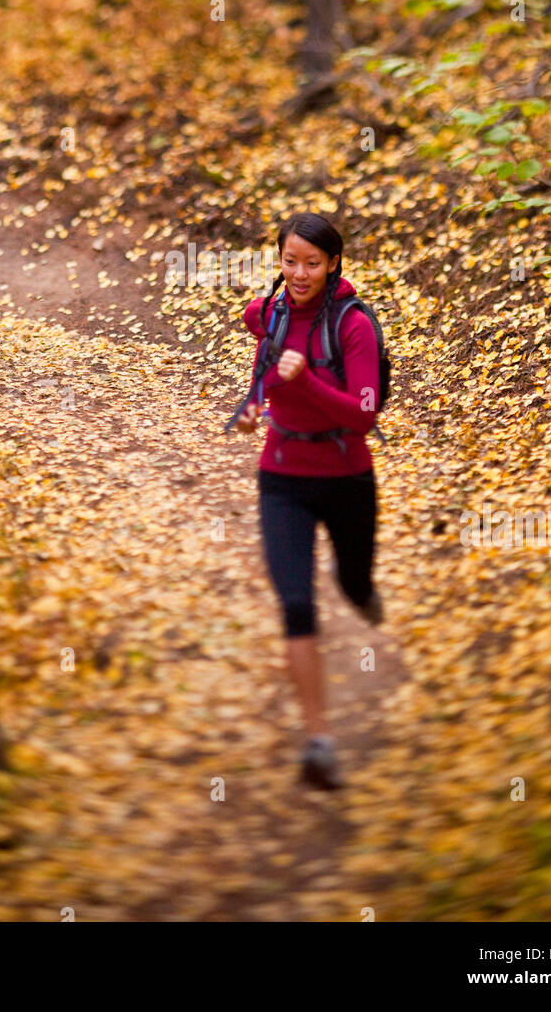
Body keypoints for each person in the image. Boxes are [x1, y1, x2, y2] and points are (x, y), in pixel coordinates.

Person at [236, 211, 382, 789]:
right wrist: (254, 411)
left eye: (312, 263)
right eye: (289, 260)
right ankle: (319, 741)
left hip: (347, 477)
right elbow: (262, 379)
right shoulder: (268, 315)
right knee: (296, 604)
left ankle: (363, 591)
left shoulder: (353, 326)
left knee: (351, 583)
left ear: (333, 264)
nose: (299, 272)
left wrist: (306, 383)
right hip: (283, 476)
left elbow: (365, 415)